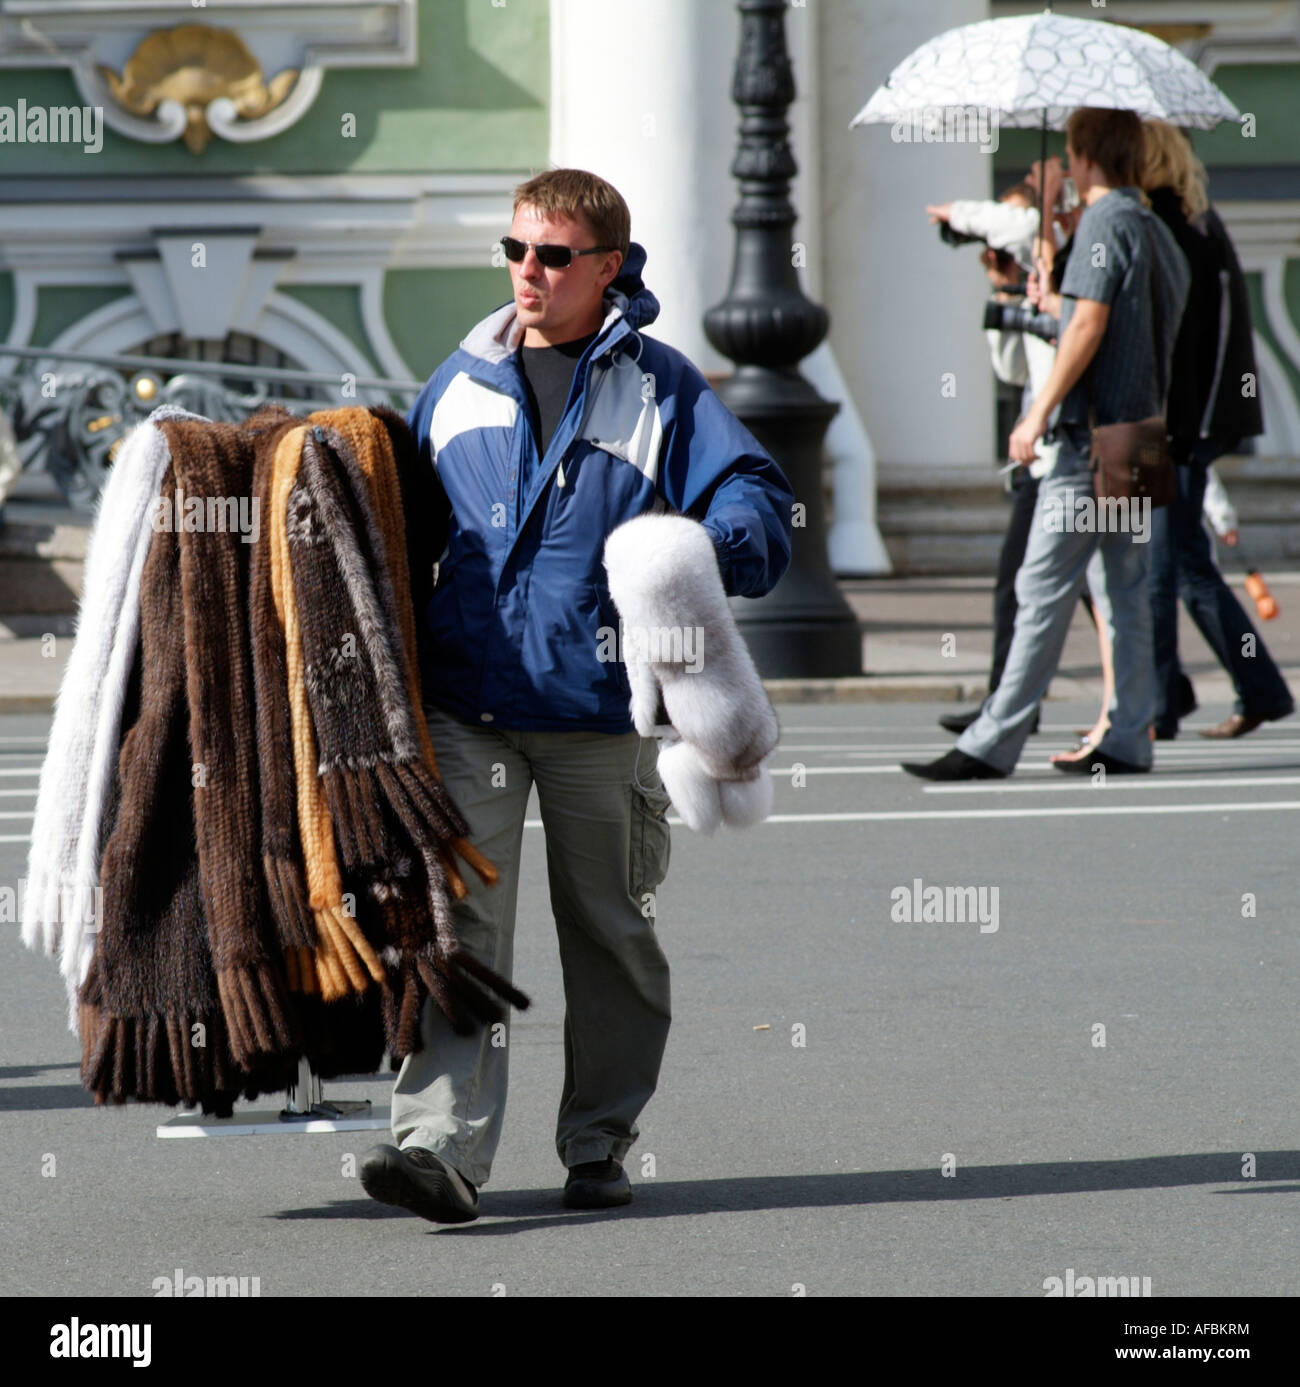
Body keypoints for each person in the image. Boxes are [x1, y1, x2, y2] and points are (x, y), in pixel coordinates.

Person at [357, 168, 794, 1222]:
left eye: (552, 256)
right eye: (514, 251)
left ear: (607, 266)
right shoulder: (457, 381)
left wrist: (707, 541)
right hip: (471, 705)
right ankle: (439, 1148)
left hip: (603, 711)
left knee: (610, 933)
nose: (527, 273)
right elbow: (398, 524)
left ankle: (599, 1142)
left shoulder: (660, 387)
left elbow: (758, 503)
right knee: (454, 934)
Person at [902, 107, 1190, 781]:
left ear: (1085, 157)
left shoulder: (1102, 225)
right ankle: (1128, 736)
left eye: (1071, 151)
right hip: (1140, 437)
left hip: (1088, 445)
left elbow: (1090, 325)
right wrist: (1051, 300)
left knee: (1040, 586)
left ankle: (991, 742)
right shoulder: (1155, 231)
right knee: (1123, 589)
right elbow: (1114, 322)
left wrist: (1038, 412)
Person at [1138, 118, 1293, 740]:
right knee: (1177, 561)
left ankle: (1163, 703)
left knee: (1169, 565)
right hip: (1183, 421)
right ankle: (1244, 690)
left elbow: (1192, 343)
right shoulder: (1189, 220)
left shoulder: (1178, 227)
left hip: (1178, 423)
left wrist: (1187, 432)